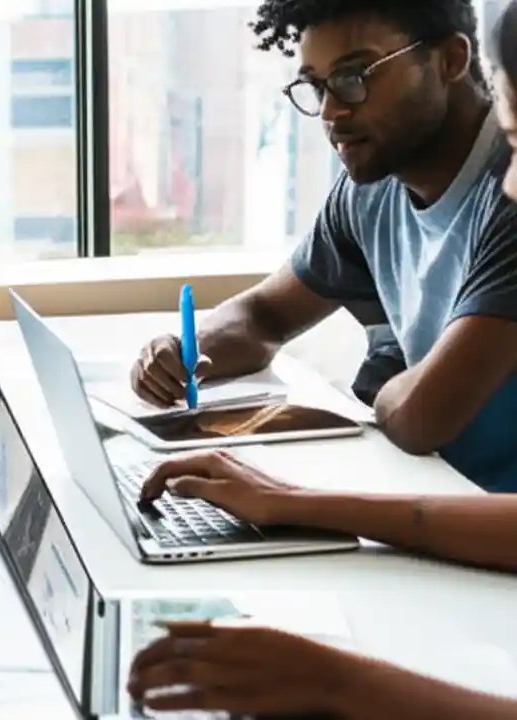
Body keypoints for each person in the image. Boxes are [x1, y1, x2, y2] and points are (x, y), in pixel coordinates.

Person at [128, 0, 517, 493]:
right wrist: (185, 352)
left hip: (488, 525)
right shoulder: (369, 190)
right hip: (427, 492)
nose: (331, 111)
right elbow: (264, 315)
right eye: (317, 85)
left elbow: (422, 417)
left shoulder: (509, 188)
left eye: (355, 76)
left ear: (449, 61)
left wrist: (370, 393)